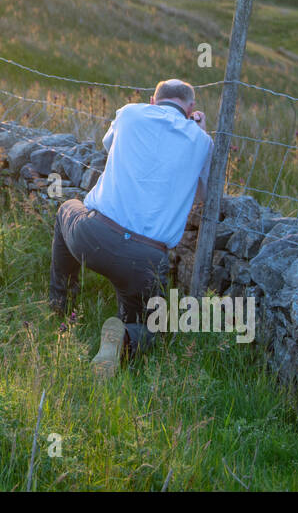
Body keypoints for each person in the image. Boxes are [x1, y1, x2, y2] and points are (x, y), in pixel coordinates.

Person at [49, 78, 212, 379]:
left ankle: (62, 306)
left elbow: (109, 146)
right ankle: (124, 338)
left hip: (93, 235)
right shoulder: (201, 141)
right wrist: (197, 131)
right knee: (153, 327)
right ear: (191, 109)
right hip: (144, 259)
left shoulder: (129, 114)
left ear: (153, 100)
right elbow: (203, 196)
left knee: (65, 212)